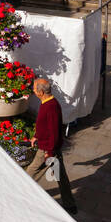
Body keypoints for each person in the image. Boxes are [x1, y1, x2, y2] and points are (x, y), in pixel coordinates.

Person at [25, 77, 77, 214]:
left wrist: (49, 152)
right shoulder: (47, 103)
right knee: (61, 176)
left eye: (35, 89)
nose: (33, 91)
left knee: (30, 173)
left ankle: (20, 197)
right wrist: (36, 135)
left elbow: (54, 132)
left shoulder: (51, 107)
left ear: (41, 92)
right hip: (52, 148)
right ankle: (70, 204)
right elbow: (45, 126)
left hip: (47, 149)